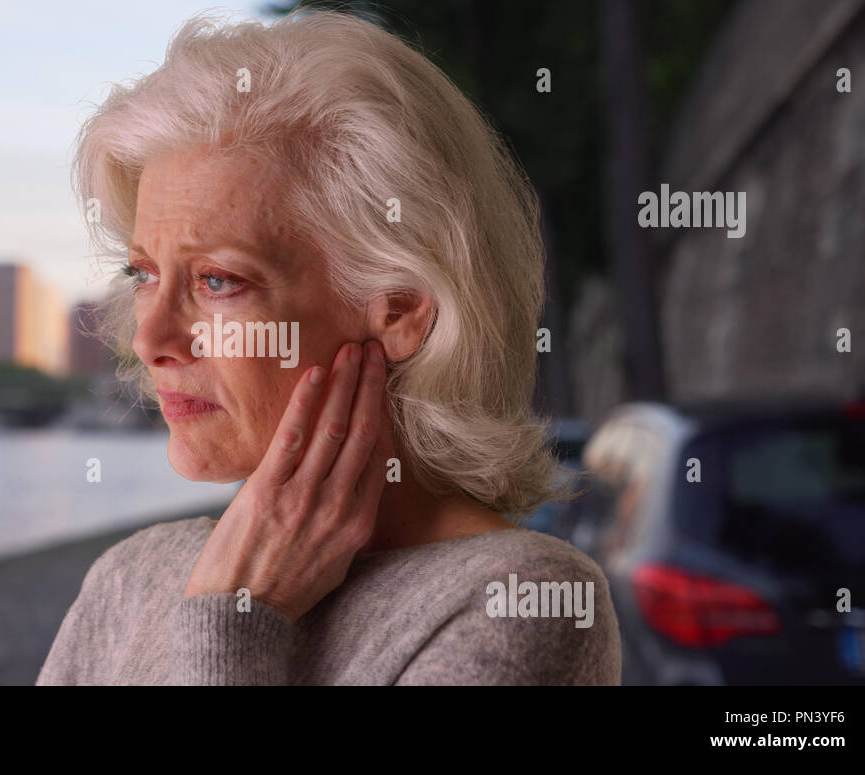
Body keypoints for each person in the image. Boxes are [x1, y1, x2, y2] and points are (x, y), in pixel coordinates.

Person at [38, 8, 620, 685]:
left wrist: (235, 622)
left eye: (219, 280)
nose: (150, 337)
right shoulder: (129, 577)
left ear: (399, 311)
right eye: (143, 274)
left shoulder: (522, 601)